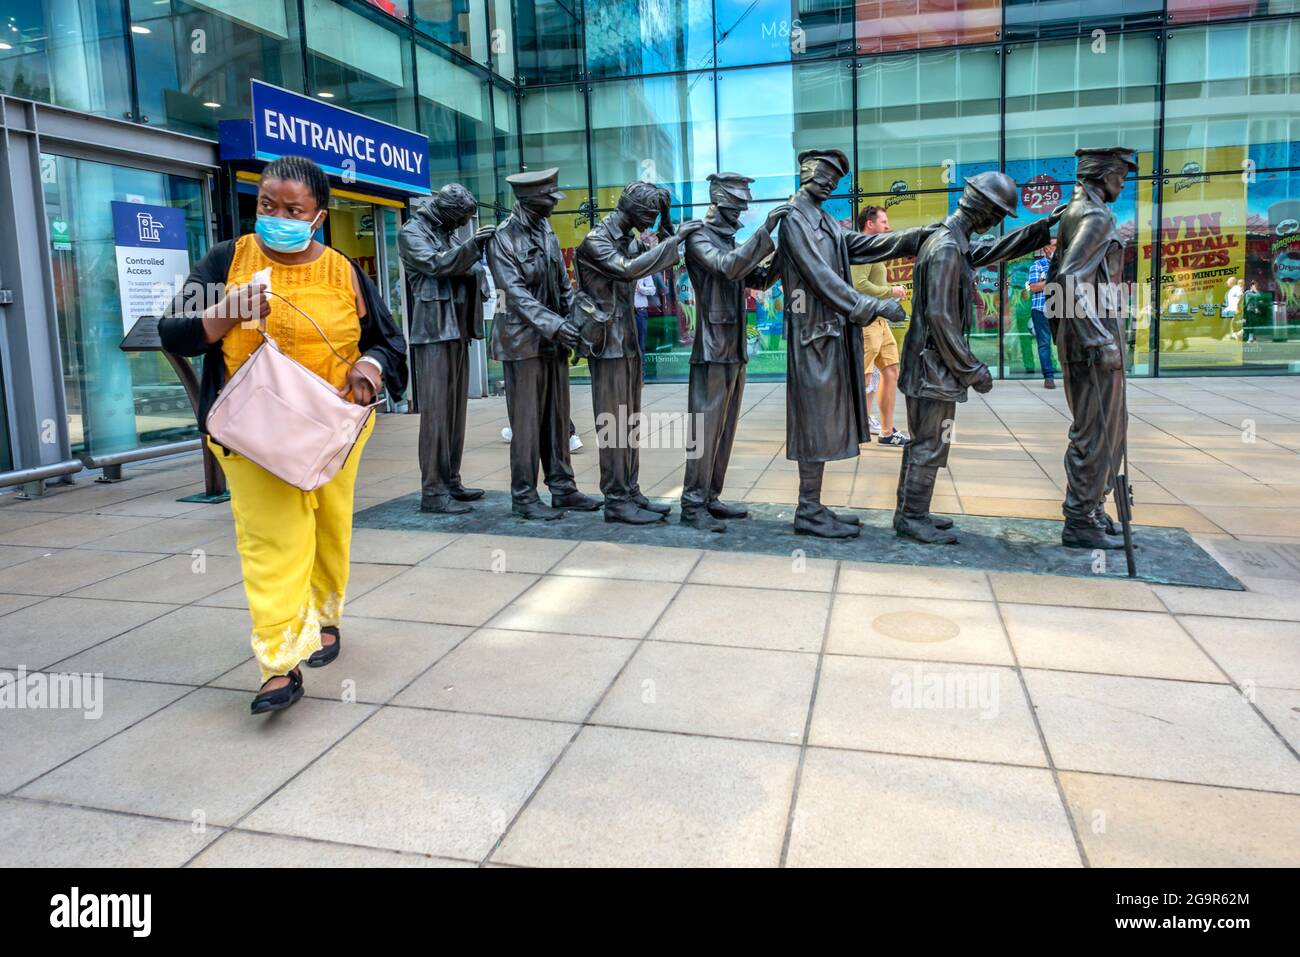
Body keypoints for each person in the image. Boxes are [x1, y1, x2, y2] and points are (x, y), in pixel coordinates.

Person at [159, 155, 407, 715]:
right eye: (267, 205)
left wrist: (368, 371)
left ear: (317, 216)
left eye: (293, 209)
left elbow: (390, 344)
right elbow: (173, 331)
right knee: (272, 541)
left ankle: (323, 617)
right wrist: (225, 311)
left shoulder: (345, 270)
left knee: (327, 526)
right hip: (253, 431)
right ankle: (279, 662)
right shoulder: (229, 260)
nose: (277, 216)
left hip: (332, 428)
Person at [895, 171, 1057, 545]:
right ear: (984, 211)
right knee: (929, 443)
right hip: (932, 367)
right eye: (997, 214)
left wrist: (1040, 227)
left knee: (926, 440)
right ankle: (912, 517)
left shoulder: (954, 242)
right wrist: (971, 369)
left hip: (929, 365)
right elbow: (939, 316)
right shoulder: (948, 248)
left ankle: (912, 512)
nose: (995, 223)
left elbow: (992, 251)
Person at [776, 148, 929, 539]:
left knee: (825, 420)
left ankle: (813, 505)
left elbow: (861, 246)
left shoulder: (825, 220)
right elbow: (819, 278)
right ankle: (807, 510)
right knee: (813, 421)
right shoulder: (795, 220)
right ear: (806, 173)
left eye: (836, 177)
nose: (830, 182)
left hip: (829, 334)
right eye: (823, 174)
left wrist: (915, 238)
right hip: (811, 336)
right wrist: (874, 305)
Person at [575, 181, 701, 525]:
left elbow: (644, 263)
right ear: (634, 208)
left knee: (628, 422)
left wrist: (668, 231)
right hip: (608, 345)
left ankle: (630, 490)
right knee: (613, 423)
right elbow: (629, 269)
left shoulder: (627, 238)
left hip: (627, 340)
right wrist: (673, 241)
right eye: (651, 214)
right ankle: (615, 499)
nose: (652, 220)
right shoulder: (596, 241)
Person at [487, 168, 599, 519]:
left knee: (556, 417)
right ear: (530, 200)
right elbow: (515, 295)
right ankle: (524, 496)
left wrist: (573, 319)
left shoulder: (545, 229)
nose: (555, 202)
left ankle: (563, 488)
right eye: (550, 197)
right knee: (527, 423)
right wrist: (556, 326)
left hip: (552, 341)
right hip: (521, 344)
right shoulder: (502, 239)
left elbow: (561, 283)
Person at [679, 172, 788, 532]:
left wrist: (784, 251)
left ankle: (711, 496)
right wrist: (767, 230)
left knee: (724, 430)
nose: (743, 212)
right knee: (704, 430)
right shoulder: (698, 236)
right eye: (738, 205)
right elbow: (728, 267)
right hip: (711, 350)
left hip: (734, 348)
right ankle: (692, 504)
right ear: (722, 204)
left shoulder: (730, 240)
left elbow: (757, 278)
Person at [1047, 146, 1139, 550]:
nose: (1124, 179)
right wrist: (1097, 339)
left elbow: (1060, 275)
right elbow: (1068, 277)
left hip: (1090, 336)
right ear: (1102, 173)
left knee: (1109, 429)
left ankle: (1094, 508)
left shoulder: (1082, 211)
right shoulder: (1094, 215)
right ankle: (1081, 518)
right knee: (1097, 430)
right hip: (1093, 342)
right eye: (1120, 172)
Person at [399, 184, 495, 513]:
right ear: (449, 211)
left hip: (456, 327)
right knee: (437, 414)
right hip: (434, 332)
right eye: (462, 219)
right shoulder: (412, 232)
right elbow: (438, 265)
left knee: (456, 411)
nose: (462, 226)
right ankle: (434, 491)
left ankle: (451, 479)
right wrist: (471, 250)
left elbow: (466, 267)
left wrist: (468, 260)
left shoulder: (446, 232)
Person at [850, 205, 910, 445]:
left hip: (880, 322)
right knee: (861, 379)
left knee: (891, 371)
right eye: (884, 222)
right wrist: (891, 291)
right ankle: (851, 428)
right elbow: (859, 284)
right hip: (866, 322)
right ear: (869, 224)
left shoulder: (874, 249)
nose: (888, 226)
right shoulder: (862, 248)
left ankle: (886, 432)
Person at [1025, 238, 1059, 389]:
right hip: (1041, 310)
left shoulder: (1066, 265)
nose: (1058, 248)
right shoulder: (1037, 265)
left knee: (1067, 343)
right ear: (1046, 249)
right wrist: (1053, 280)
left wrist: (1045, 282)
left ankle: (1072, 374)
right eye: (1055, 245)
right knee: (1044, 344)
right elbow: (1033, 287)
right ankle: (1049, 377)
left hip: (1063, 310)